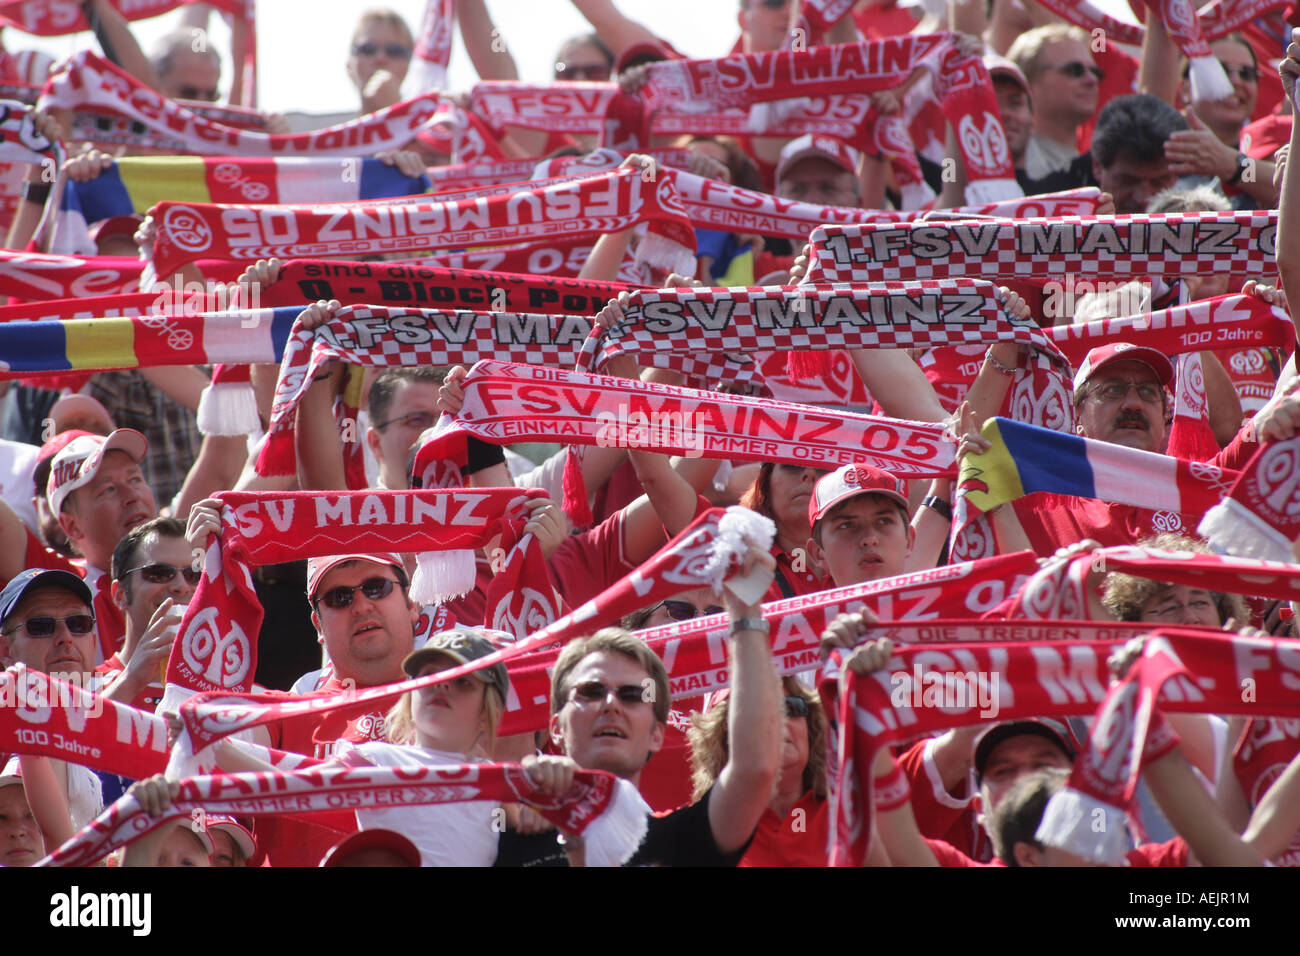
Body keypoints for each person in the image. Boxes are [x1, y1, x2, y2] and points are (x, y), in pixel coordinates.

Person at [494, 541, 781, 866]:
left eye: (633, 695)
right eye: (591, 691)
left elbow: (754, 769)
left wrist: (746, 615)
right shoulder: (513, 828)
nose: (611, 704)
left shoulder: (680, 841)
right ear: (555, 727)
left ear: (656, 733)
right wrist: (514, 792)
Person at [688, 677, 830, 866]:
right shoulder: (695, 836)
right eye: (755, 713)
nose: (778, 722)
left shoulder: (849, 814)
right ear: (723, 740)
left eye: (791, 707)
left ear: (811, 729)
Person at [100, 517, 198, 711]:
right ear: (120, 595)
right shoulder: (80, 687)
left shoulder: (234, 692)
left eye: (194, 574)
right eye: (159, 573)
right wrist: (131, 681)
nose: (181, 586)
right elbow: (76, 736)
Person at [1006, 25, 1099, 180]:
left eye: (1096, 72)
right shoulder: (1009, 157)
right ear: (1027, 83)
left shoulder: (1097, 167)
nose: (1092, 80)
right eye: (1075, 70)